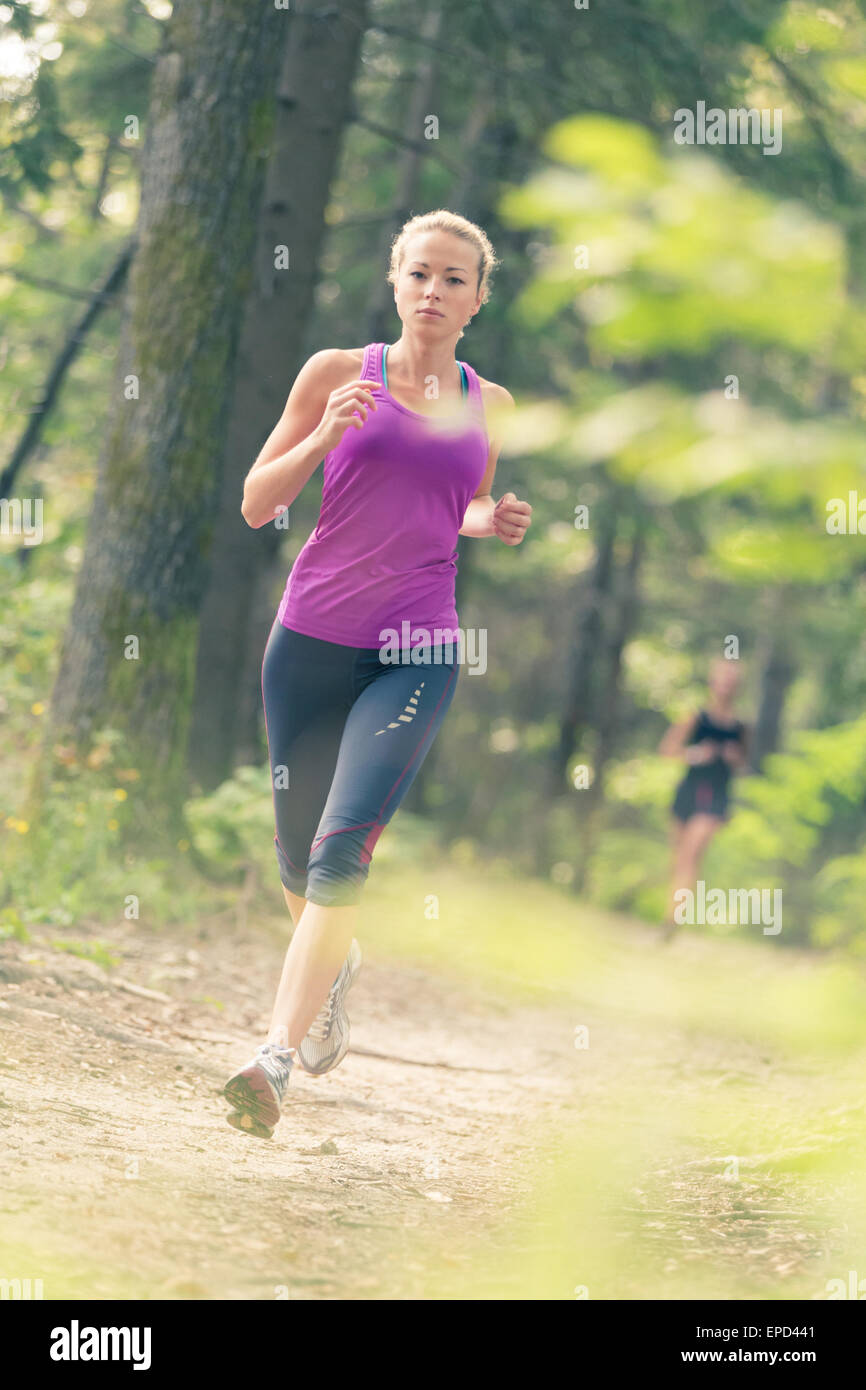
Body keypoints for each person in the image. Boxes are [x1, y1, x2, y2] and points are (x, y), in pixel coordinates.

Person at [222, 210, 532, 1138]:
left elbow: (456, 506)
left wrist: (492, 520)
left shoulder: (492, 406)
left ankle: (273, 1053)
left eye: (455, 279)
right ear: (395, 282)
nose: (434, 291)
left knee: (340, 852)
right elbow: (254, 503)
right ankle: (333, 966)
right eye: (420, 274)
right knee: (295, 853)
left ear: (478, 299)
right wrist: (323, 437)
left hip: (417, 649)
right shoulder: (334, 374)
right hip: (310, 638)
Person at [659, 658, 749, 940]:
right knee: (679, 859)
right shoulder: (695, 717)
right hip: (689, 790)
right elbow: (668, 750)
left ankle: (672, 921)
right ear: (712, 682)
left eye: (731, 681)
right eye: (722, 679)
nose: (725, 686)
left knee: (692, 853)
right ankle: (672, 913)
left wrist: (735, 759)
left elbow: (745, 765)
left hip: (716, 797)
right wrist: (697, 754)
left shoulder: (740, 727)